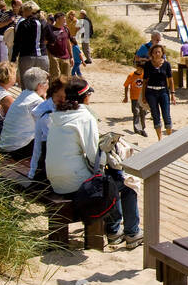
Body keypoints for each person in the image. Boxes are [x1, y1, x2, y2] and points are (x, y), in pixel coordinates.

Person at [47, 78, 140, 247]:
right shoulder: (84, 116)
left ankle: (114, 231)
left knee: (111, 180)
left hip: (55, 181)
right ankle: (131, 233)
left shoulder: (57, 115)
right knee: (126, 184)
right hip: (74, 183)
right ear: (85, 97)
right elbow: (93, 156)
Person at [0, 67, 48, 159]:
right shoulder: (36, 101)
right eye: (46, 83)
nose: (48, 85)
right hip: (19, 149)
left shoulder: (23, 95)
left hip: (7, 145)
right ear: (39, 86)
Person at [29, 77, 65, 181]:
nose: (63, 100)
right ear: (53, 93)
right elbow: (38, 147)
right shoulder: (45, 113)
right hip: (46, 154)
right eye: (60, 96)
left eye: (65, 97)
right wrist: (32, 171)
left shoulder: (57, 107)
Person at [142, 44, 175, 139]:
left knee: (166, 115)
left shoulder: (166, 64)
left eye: (159, 52)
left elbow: (170, 80)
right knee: (155, 115)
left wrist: (172, 94)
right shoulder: (148, 64)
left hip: (163, 92)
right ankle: (160, 139)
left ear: (162, 53)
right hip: (151, 92)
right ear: (151, 53)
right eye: (155, 52)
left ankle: (169, 139)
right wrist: (144, 96)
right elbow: (145, 81)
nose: (157, 54)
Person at [11, 2, 49, 79]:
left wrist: (13, 58)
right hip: (43, 56)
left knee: (26, 83)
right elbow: (52, 38)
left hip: (27, 56)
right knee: (41, 83)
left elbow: (17, 42)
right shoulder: (44, 22)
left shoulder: (23, 24)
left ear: (26, 11)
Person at [123, 63, 149, 136]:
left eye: (142, 69)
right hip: (134, 97)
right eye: (139, 68)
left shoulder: (145, 75)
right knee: (136, 112)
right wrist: (126, 97)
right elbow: (126, 85)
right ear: (136, 67)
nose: (140, 70)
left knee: (143, 113)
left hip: (143, 97)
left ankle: (143, 128)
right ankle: (137, 129)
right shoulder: (131, 76)